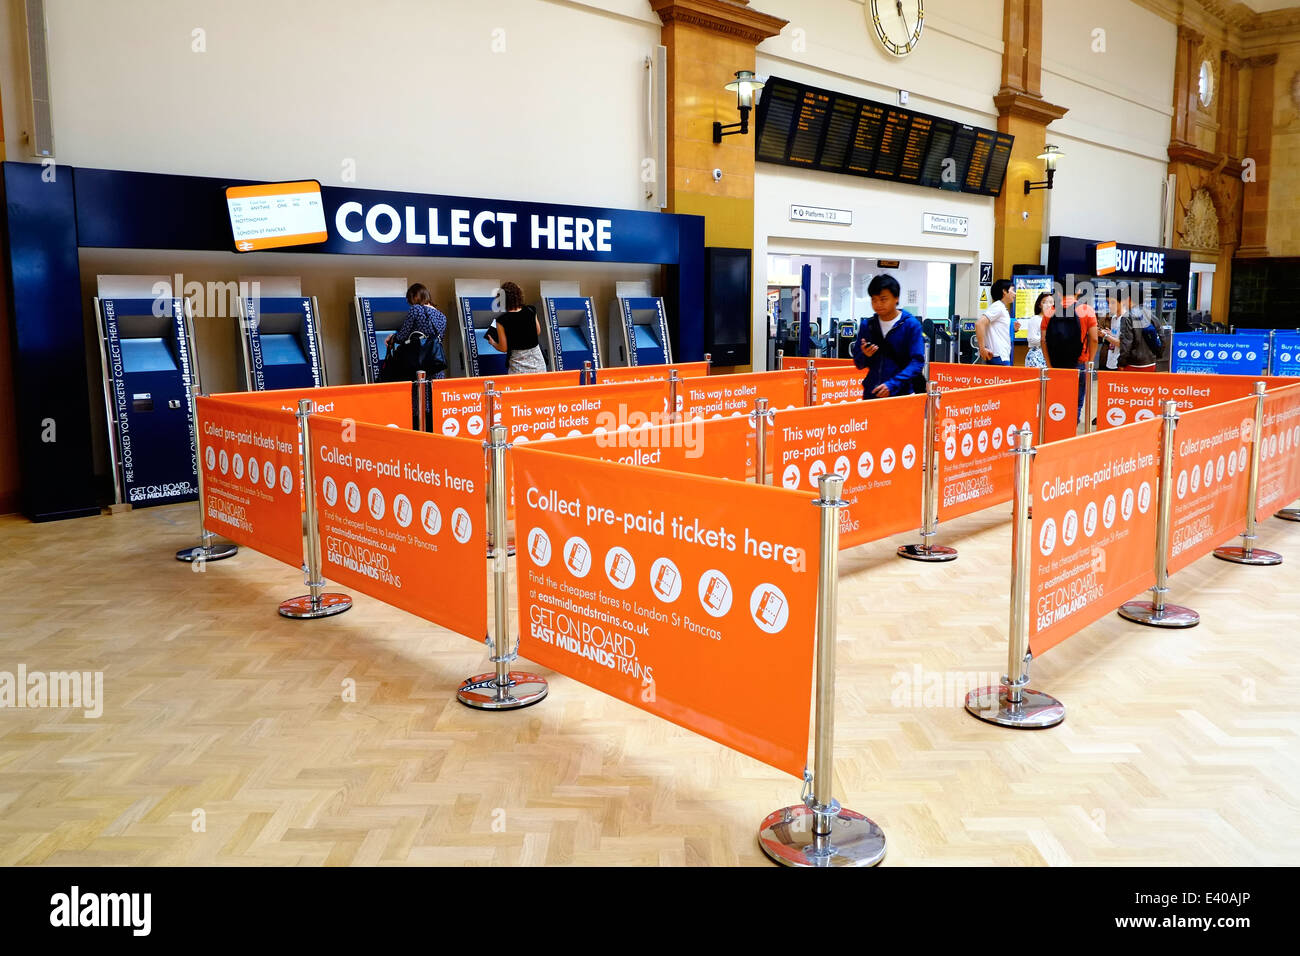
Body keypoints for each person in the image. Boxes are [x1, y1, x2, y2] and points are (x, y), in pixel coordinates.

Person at [849, 274, 926, 399]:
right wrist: (865, 355)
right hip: (872, 394)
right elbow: (859, 363)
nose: (878, 304)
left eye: (883, 299)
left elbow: (917, 362)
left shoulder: (911, 325)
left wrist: (892, 384)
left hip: (902, 395)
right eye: (874, 300)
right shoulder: (867, 326)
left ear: (896, 298)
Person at [1046, 293, 1099, 425]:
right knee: (1077, 397)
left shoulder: (1050, 311)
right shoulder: (1086, 310)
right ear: (1078, 291)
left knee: (1059, 396)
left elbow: (1043, 340)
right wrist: (1090, 362)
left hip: (1056, 363)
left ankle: (1059, 422)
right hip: (1079, 362)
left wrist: (1049, 364)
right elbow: (1094, 338)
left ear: (1058, 293)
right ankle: (1072, 423)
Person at [387, 282, 447, 380]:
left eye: (410, 300)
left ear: (415, 296)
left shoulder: (416, 309)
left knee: (419, 393)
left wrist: (392, 338)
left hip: (419, 365)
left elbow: (403, 336)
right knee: (432, 394)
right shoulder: (442, 316)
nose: (410, 303)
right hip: (436, 366)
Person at [486, 281, 546, 374]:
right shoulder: (530, 310)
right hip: (538, 364)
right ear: (519, 295)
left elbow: (503, 348)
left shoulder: (502, 320)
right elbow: (537, 331)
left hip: (518, 367)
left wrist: (493, 342)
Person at [1113, 286, 1161, 371]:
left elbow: (1126, 344)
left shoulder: (1127, 317)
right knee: (1146, 385)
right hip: (1151, 363)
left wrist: (1121, 363)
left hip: (1133, 364)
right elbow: (1162, 338)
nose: (1123, 302)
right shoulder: (1152, 315)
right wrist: (1157, 356)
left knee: (1128, 385)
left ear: (1129, 298)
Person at [976, 279, 1014, 366]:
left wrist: (1013, 328)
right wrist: (982, 349)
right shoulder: (998, 306)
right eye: (1012, 290)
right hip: (998, 356)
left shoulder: (1001, 307)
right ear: (1004, 291)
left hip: (1000, 356)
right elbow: (979, 324)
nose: (1014, 294)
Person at [1020, 292, 1051, 369]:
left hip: (1049, 356)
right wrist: (1050, 340)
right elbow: (1032, 339)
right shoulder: (1035, 319)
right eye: (1044, 302)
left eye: (1051, 302)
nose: (1048, 305)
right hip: (1036, 356)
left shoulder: (1054, 320)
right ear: (1039, 305)